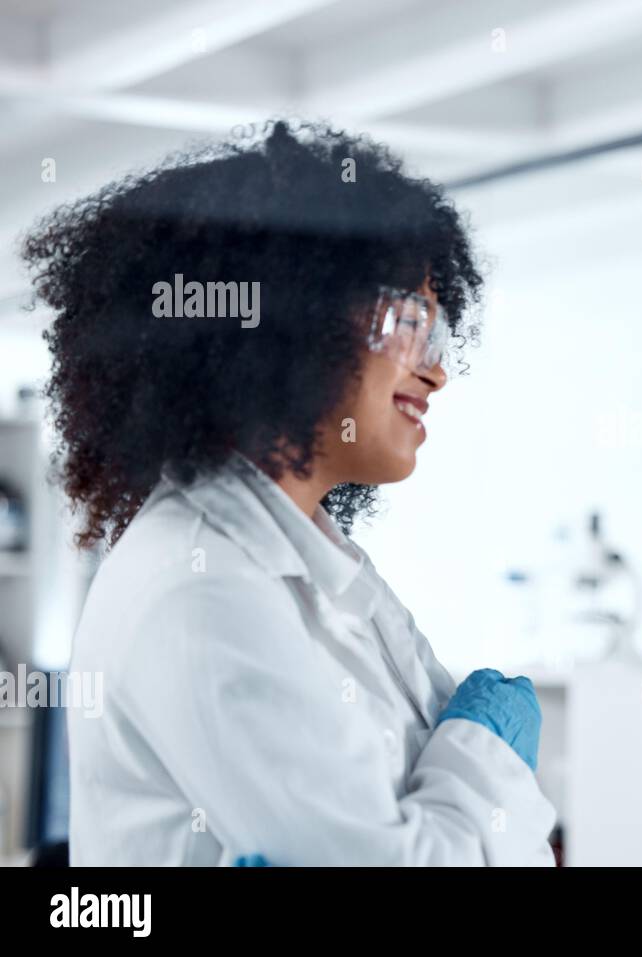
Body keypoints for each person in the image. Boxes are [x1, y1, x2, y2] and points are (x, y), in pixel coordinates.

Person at [24, 120, 555, 865]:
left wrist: (472, 782)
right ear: (287, 326)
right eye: (406, 322)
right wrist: (487, 756)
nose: (437, 372)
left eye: (435, 333)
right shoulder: (200, 588)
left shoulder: (310, 568)